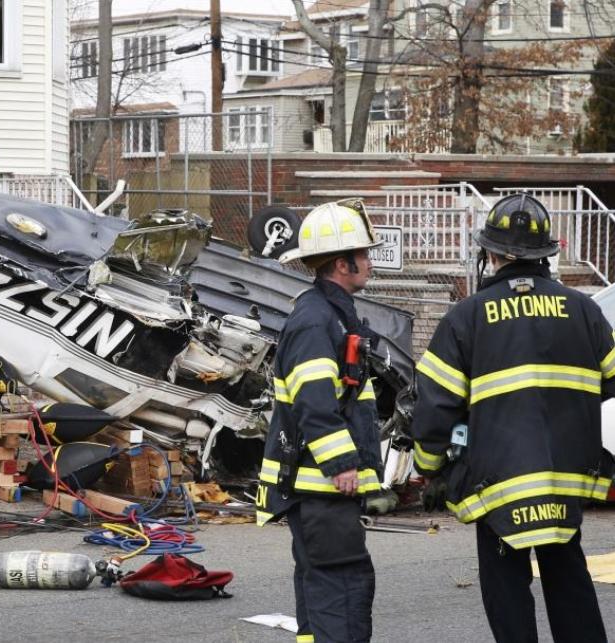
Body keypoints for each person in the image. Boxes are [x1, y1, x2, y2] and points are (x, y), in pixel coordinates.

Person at [411, 193, 613, 643]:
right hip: (565, 481)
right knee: (569, 580)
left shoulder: (466, 317)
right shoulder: (584, 311)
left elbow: (435, 407)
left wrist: (429, 467)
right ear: (546, 254)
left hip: (497, 483)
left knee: (507, 592)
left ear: (491, 253)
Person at [255, 199, 386, 643]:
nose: (369, 262)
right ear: (342, 263)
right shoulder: (317, 322)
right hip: (322, 487)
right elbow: (314, 401)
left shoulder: (329, 315)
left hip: (318, 489)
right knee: (342, 587)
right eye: (363, 254)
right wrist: (342, 464)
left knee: (321, 586)